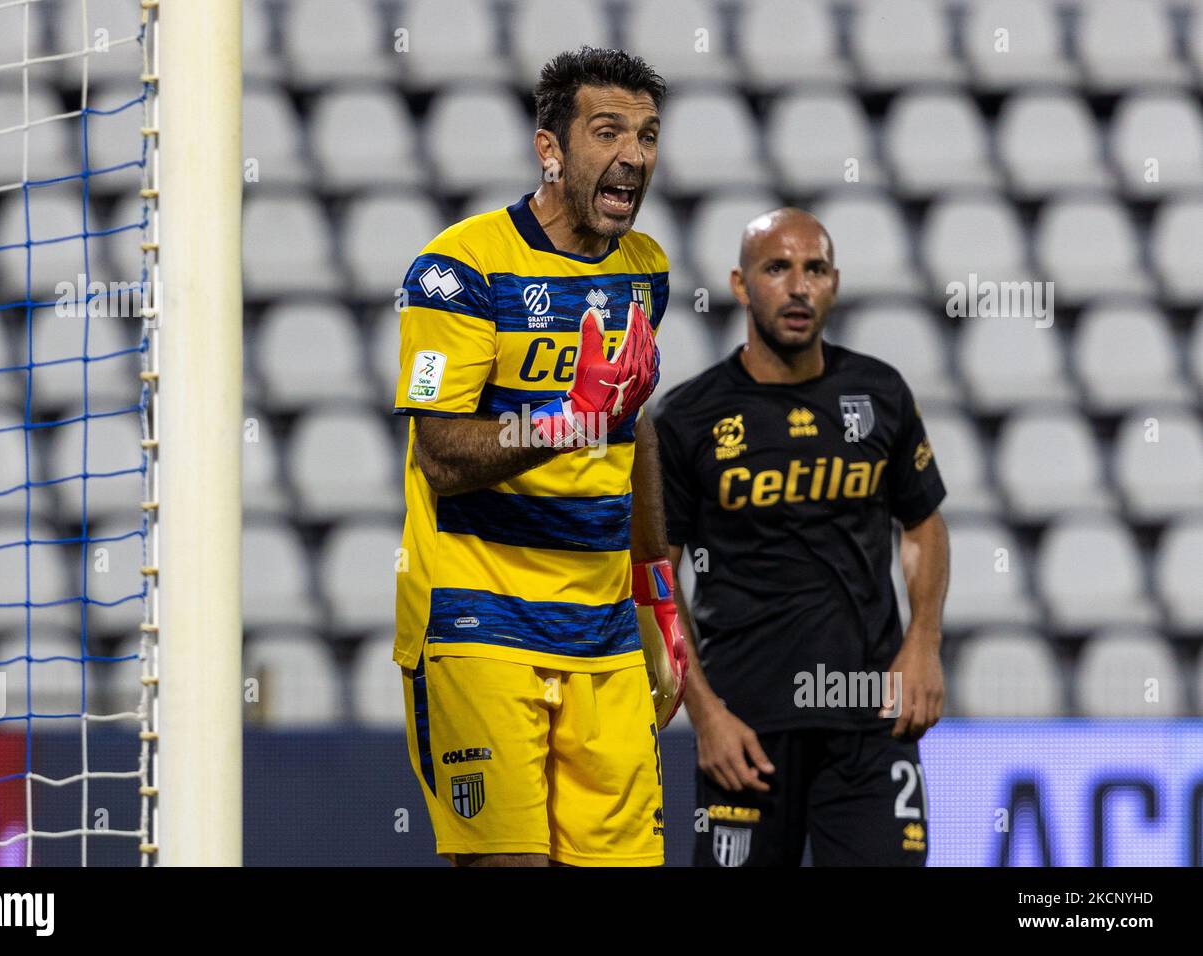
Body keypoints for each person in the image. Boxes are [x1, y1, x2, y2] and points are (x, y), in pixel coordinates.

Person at [391, 46, 688, 867]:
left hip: (601, 632)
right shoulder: (458, 270)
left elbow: (634, 430)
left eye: (648, 135)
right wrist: (567, 423)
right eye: (608, 132)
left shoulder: (646, 273)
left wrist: (658, 591)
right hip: (478, 617)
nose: (634, 155)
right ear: (550, 150)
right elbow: (441, 455)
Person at [651, 208, 950, 866]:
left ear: (834, 283)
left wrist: (923, 641)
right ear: (739, 283)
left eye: (814, 268)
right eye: (777, 268)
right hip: (746, 731)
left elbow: (923, 523)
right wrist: (704, 715)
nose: (797, 286)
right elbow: (654, 577)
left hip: (872, 723)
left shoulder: (879, 394)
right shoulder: (686, 419)